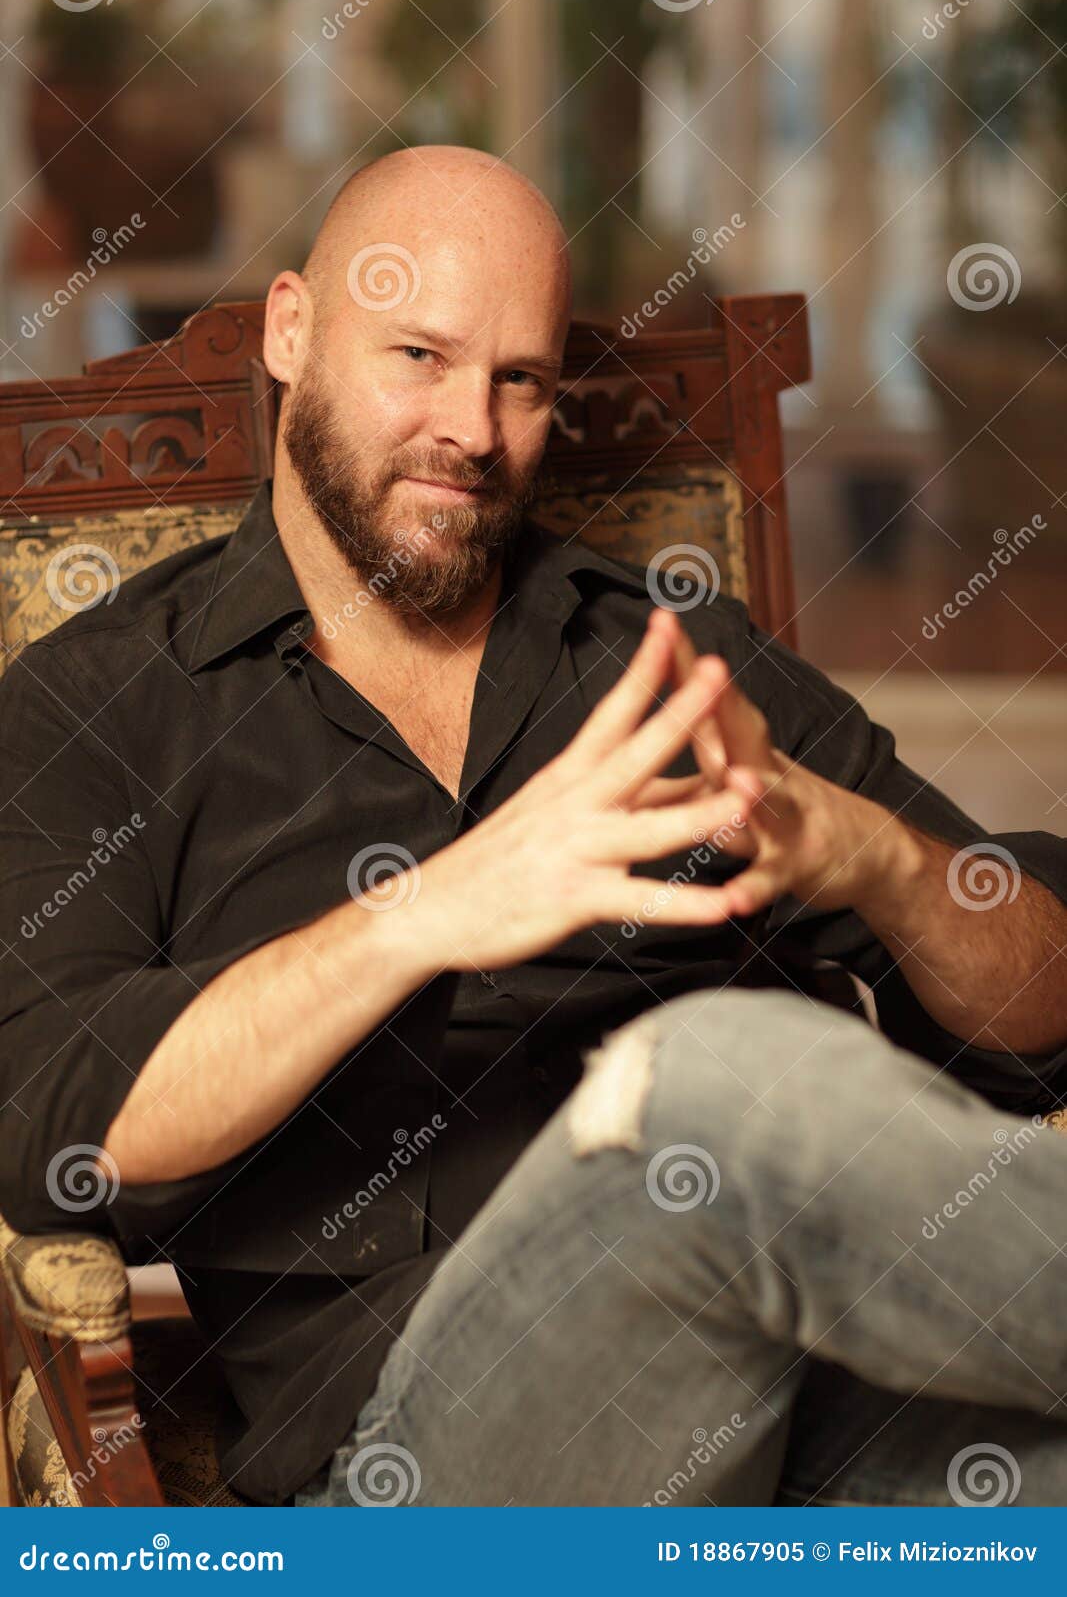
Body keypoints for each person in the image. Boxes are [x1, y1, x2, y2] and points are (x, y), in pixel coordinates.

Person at [1, 146, 1065, 1509]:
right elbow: (54, 1121)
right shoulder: (103, 702)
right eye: (421, 357)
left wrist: (878, 858)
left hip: (812, 1434)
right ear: (291, 331)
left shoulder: (664, 657)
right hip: (428, 1472)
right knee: (703, 1084)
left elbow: (1042, 1010)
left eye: (522, 379)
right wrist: (432, 907)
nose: (473, 427)